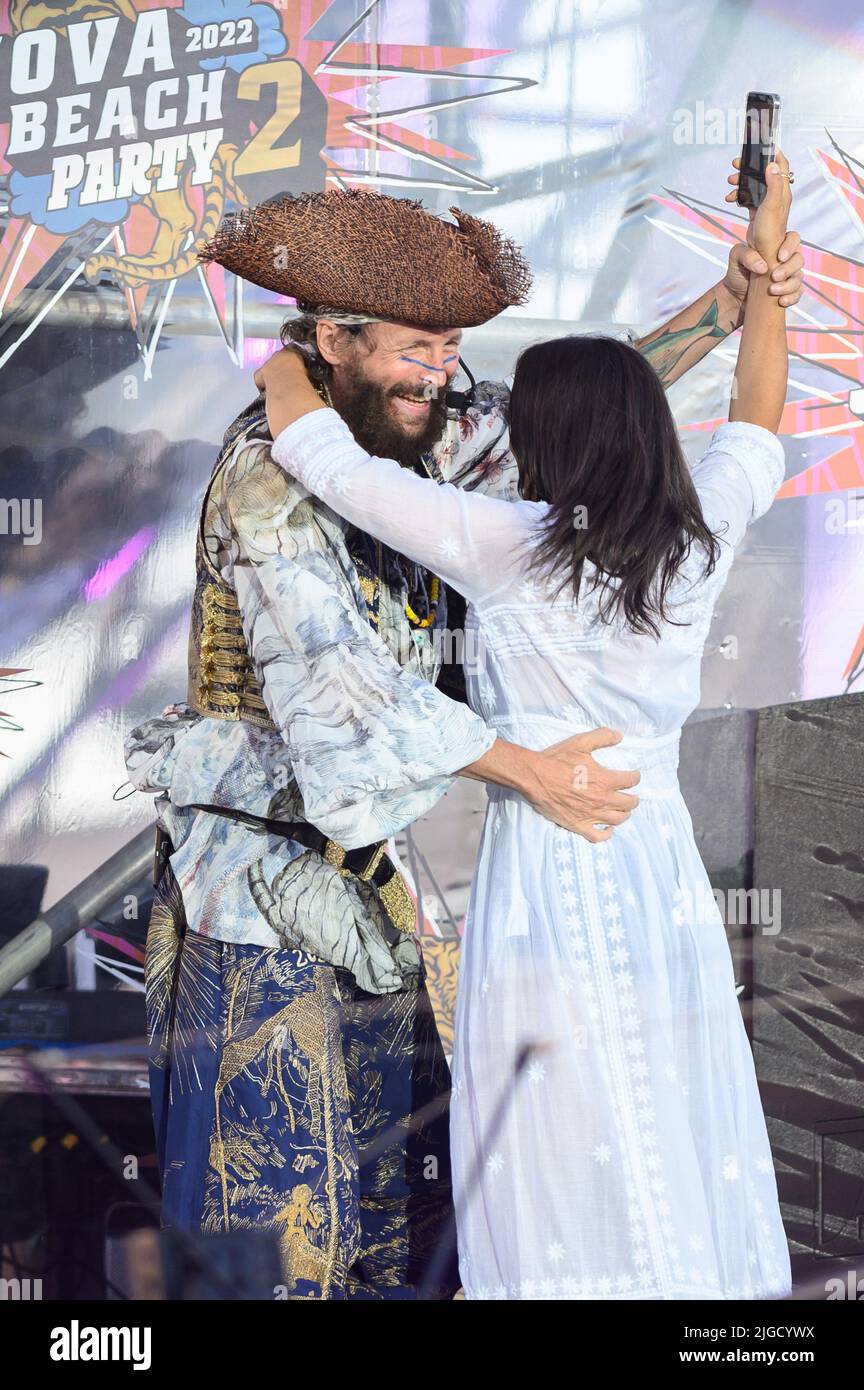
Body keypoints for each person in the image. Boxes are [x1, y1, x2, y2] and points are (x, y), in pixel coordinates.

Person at [124, 171, 804, 1299]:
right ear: (336, 339)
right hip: (257, 890)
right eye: (419, 349)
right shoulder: (268, 479)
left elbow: (552, 430)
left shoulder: (457, 482)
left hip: (414, 883)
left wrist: (719, 310)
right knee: (284, 1223)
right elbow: (342, 687)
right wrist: (522, 765)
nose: (446, 381)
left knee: (420, 1211)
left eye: (451, 351)